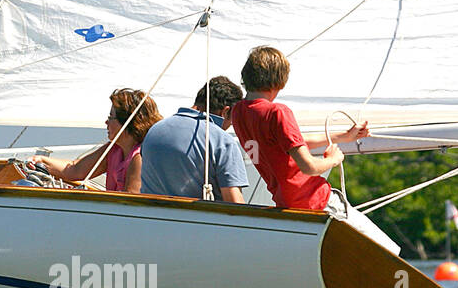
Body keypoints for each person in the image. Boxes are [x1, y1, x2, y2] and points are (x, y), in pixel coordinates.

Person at [230, 45, 368, 212]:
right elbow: (308, 167)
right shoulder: (278, 112)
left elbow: (289, 143)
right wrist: (333, 159)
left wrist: (344, 136)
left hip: (285, 204)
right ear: (279, 80)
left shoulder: (238, 112)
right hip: (315, 201)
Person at [139, 76, 250, 202]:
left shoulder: (154, 130)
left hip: (149, 217)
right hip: (194, 219)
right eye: (232, 119)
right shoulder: (222, 140)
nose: (231, 124)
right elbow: (234, 202)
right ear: (225, 111)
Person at [29, 88, 161, 192]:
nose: (106, 122)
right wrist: (41, 160)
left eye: (111, 117)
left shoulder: (139, 157)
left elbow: (130, 203)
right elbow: (75, 169)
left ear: (127, 122)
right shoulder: (113, 150)